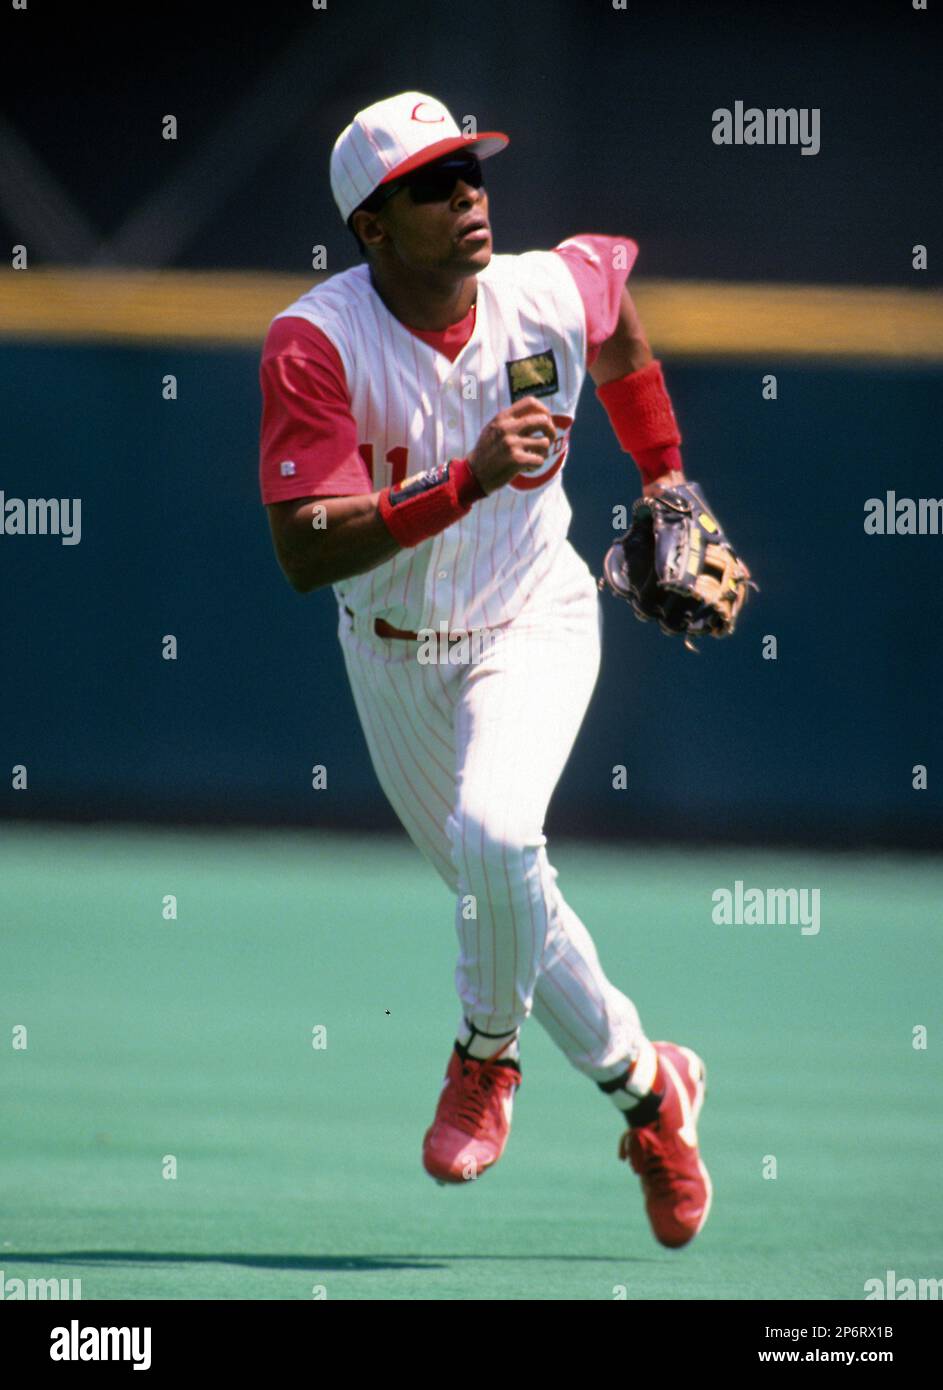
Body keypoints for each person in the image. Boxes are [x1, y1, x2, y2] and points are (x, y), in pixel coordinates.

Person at [259, 91, 711, 1247]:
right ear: (372, 225)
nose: (470, 197)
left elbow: (614, 325)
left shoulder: (538, 290)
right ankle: (653, 1094)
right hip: (393, 657)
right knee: (507, 892)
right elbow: (304, 551)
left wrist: (663, 479)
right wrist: (459, 480)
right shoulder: (315, 342)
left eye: (474, 173)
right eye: (434, 184)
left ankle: (482, 1057)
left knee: (499, 838)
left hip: (533, 618)